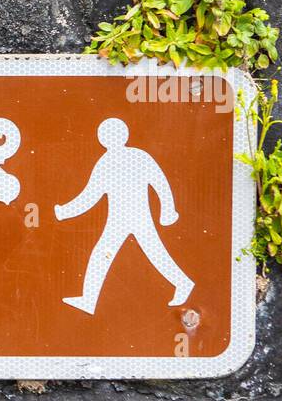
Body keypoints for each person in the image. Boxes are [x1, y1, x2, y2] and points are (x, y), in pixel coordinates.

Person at [54, 118, 193, 314]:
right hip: (121, 218)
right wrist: (65, 211)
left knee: (151, 253)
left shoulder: (132, 158)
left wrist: (168, 209)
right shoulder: (115, 161)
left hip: (134, 216)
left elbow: (159, 181)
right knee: (108, 253)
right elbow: (91, 194)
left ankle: (183, 283)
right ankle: (88, 299)